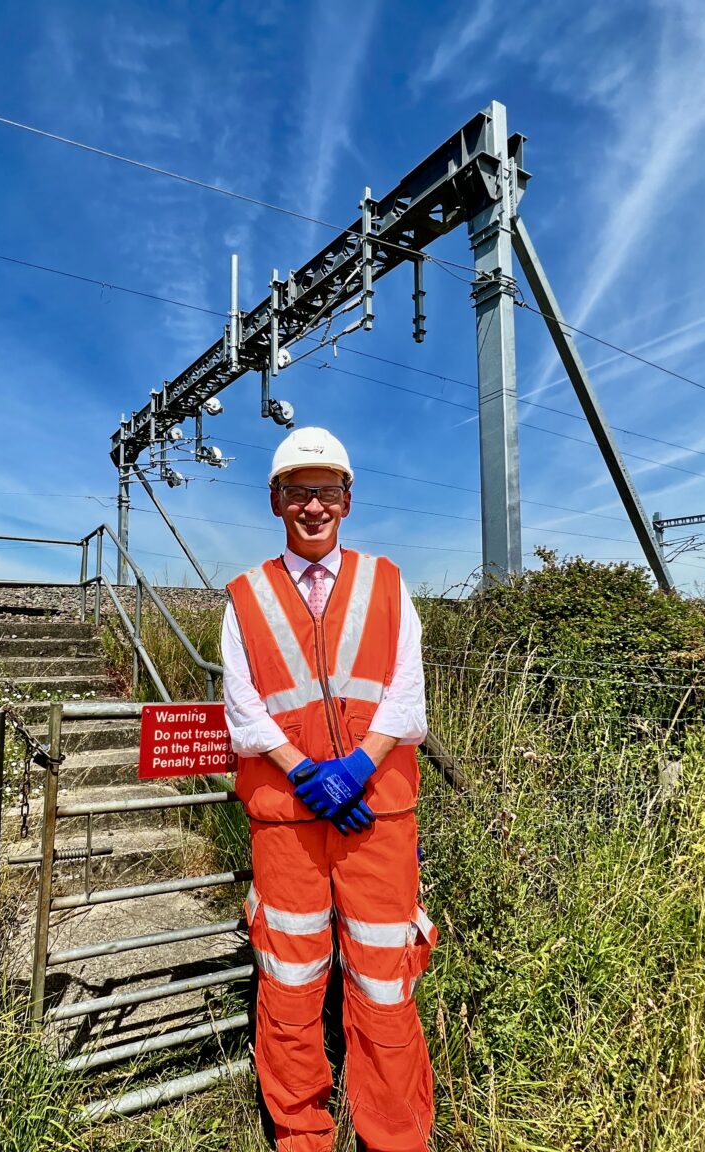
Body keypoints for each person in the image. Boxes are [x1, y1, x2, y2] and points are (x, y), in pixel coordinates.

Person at [221, 426, 435, 1152]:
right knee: (290, 980)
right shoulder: (245, 596)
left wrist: (355, 770)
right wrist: (304, 771)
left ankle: (395, 1137)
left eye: (328, 491)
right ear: (277, 501)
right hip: (289, 822)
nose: (314, 506)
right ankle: (301, 1133)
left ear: (348, 500)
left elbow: (406, 697)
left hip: (376, 815)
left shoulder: (387, 583)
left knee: (384, 982)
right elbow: (243, 707)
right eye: (299, 492)